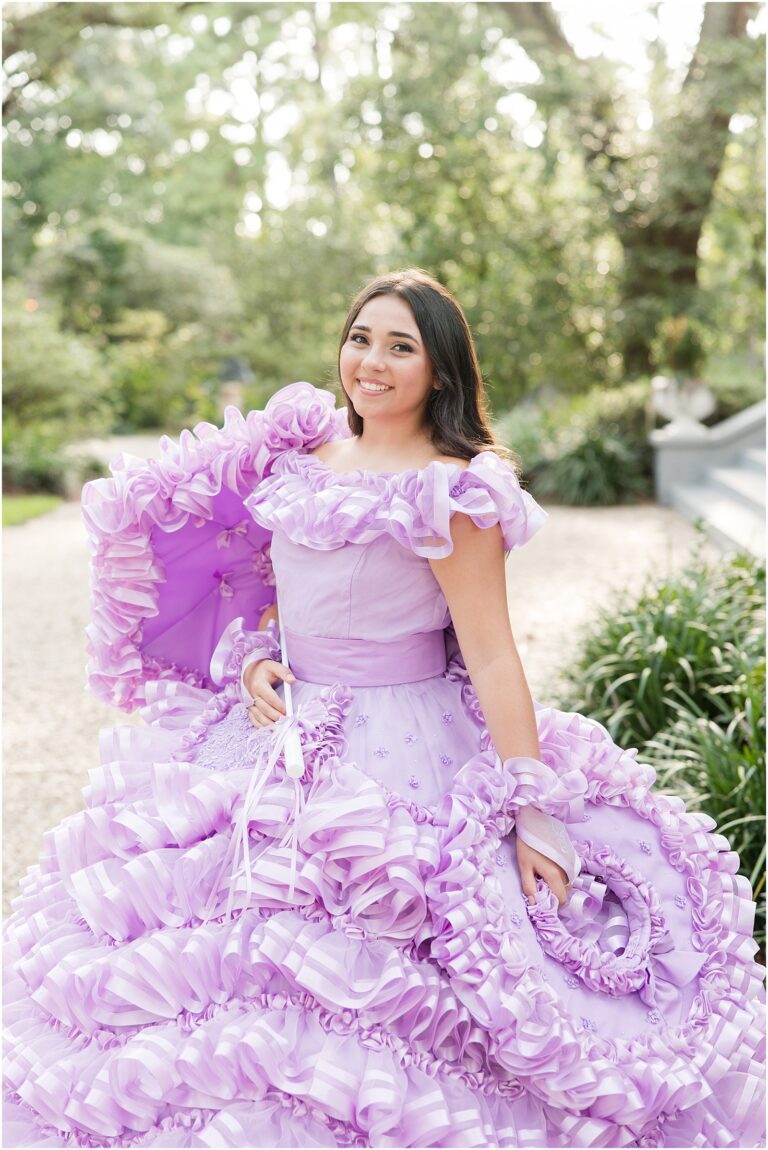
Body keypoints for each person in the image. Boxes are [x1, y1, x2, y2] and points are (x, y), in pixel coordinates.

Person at [3, 269, 764, 1148]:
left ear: (439, 371)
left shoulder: (454, 491)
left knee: (380, 967)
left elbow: (491, 652)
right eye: (361, 338)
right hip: (271, 742)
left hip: (402, 751)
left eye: (401, 346)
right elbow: (280, 606)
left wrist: (531, 809)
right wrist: (256, 661)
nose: (371, 361)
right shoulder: (296, 468)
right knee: (221, 956)